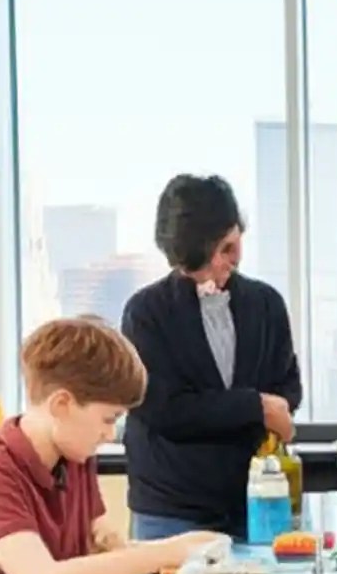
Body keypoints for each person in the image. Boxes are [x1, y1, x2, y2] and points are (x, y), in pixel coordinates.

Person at [0, 318, 228, 574]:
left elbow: (101, 548)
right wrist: (169, 550)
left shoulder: (74, 454)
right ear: (61, 404)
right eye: (108, 419)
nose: (109, 434)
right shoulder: (4, 469)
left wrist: (190, 551)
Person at [121, 174, 302, 540]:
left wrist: (271, 407)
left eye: (222, 253)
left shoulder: (266, 305)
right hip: (170, 512)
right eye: (194, 268)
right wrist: (257, 408)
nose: (211, 274)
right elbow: (164, 410)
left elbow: (288, 387)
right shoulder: (146, 312)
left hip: (254, 504)